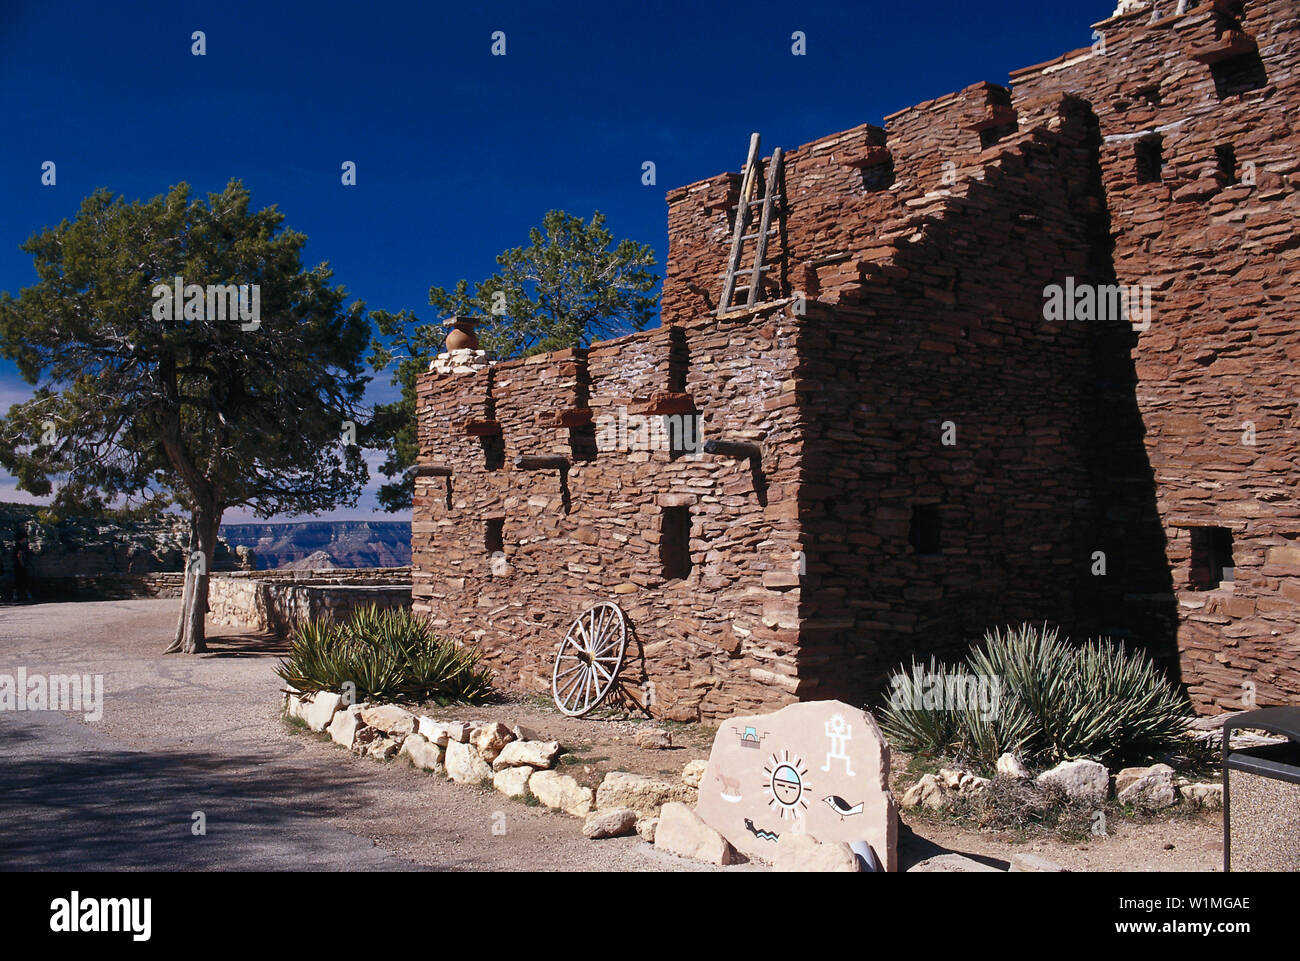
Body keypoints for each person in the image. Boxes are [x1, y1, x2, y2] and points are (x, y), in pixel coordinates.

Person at [13, 528, 32, 603]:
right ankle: (25, 595)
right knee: (22, 581)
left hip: (16, 565)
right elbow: (19, 555)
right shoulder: (19, 546)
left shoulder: (15, 545)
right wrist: (22, 564)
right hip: (19, 566)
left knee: (17, 581)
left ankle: (16, 596)